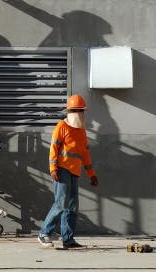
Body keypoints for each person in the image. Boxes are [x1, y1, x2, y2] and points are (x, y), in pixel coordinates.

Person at [38, 94, 99, 249]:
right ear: (70, 111)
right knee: (61, 203)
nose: (79, 113)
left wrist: (91, 174)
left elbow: (85, 154)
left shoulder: (82, 132)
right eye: (76, 110)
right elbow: (53, 148)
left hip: (74, 172)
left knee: (72, 206)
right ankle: (44, 233)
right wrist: (53, 168)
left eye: (81, 110)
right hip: (62, 170)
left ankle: (68, 239)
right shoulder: (61, 126)